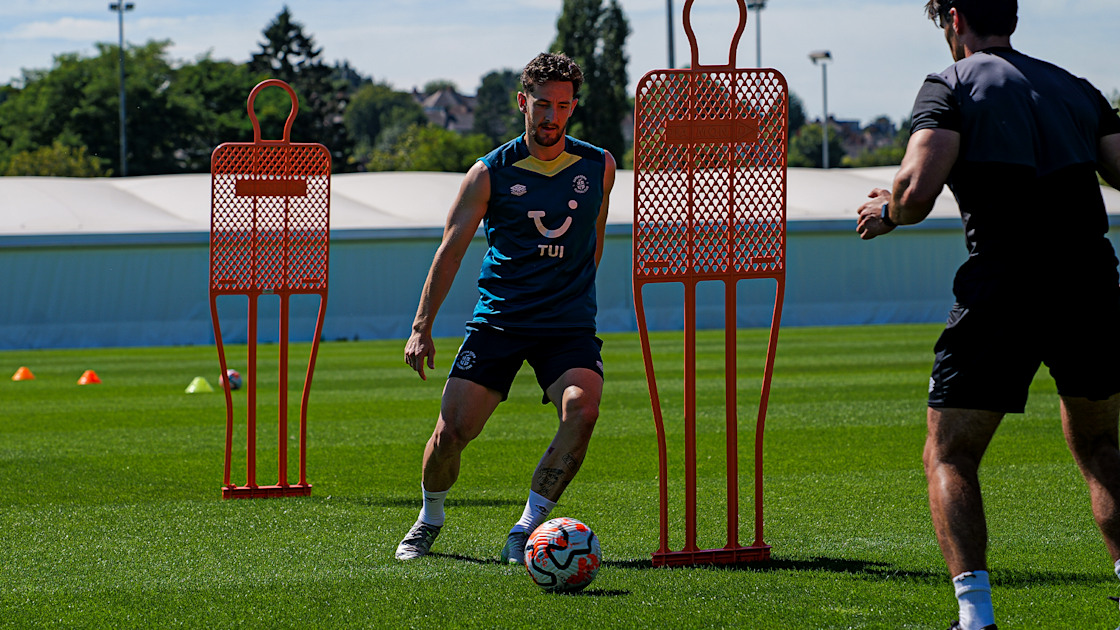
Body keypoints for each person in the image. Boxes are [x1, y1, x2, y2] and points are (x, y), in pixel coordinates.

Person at [855, 1, 1120, 628]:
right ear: (1014, 17)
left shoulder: (949, 84)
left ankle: (975, 617)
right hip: (1090, 280)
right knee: (1104, 444)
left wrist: (888, 211)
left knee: (950, 453)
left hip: (1005, 283)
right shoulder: (1076, 86)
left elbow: (917, 192)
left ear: (952, 17)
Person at [394, 52, 616, 565]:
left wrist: (575, 295)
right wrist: (420, 327)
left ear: (573, 108)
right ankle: (429, 517)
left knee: (583, 408)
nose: (551, 117)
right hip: (499, 321)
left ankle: (528, 528)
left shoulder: (598, 165)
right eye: (542, 104)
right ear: (524, 103)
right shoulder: (488, 173)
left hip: (566, 325)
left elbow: (594, 240)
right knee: (451, 435)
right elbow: (450, 250)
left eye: (562, 106)